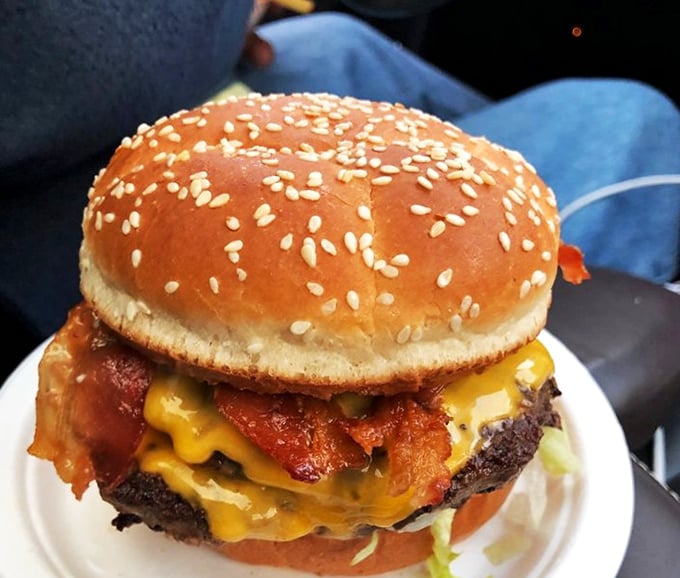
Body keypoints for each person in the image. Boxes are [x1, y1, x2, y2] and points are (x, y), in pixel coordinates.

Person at [1, 1, 679, 356]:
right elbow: (69, 56)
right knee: (635, 117)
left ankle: (495, 185)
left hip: (121, 112)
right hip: (38, 207)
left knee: (336, 44)